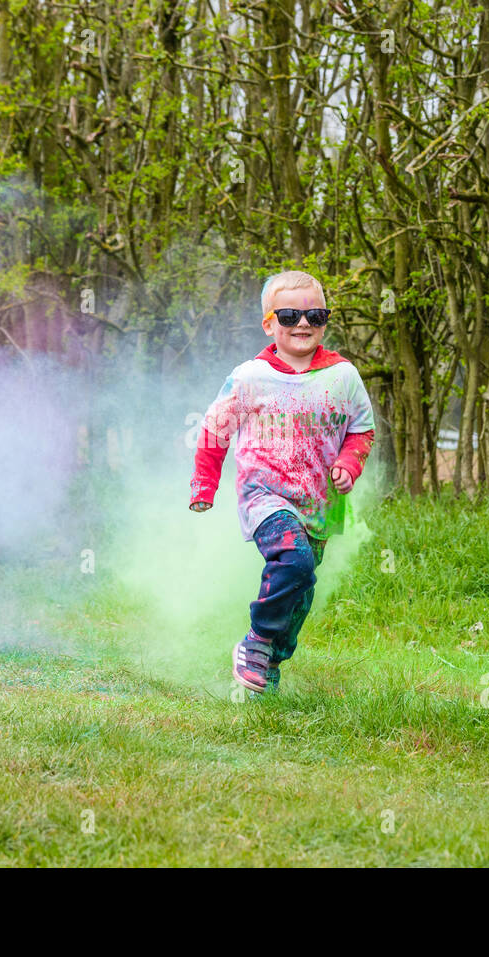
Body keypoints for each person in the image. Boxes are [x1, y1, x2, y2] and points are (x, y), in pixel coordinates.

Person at [189, 271, 375, 694]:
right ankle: (255, 641)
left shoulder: (343, 376)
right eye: (290, 315)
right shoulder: (250, 377)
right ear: (269, 324)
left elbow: (362, 429)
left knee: (303, 587)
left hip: (322, 504)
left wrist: (350, 464)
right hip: (265, 496)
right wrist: (204, 486)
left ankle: (270, 659)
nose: (303, 324)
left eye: (315, 314)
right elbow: (214, 432)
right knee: (294, 562)